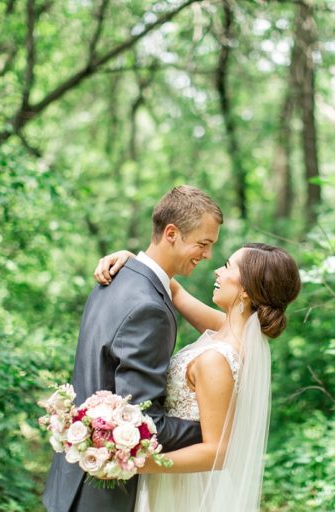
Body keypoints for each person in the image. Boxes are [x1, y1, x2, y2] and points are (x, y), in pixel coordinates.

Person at [42, 185, 224, 512]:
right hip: (104, 493)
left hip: (69, 482)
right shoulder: (149, 309)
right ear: (171, 233)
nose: (208, 255)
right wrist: (217, 435)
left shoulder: (116, 275)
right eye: (203, 244)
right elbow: (144, 421)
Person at [94, 242, 301, 511]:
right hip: (177, 474)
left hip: (184, 488)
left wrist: (134, 462)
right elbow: (175, 290)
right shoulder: (235, 333)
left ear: (246, 290)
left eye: (227, 266)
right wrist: (132, 260)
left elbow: (217, 451)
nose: (217, 271)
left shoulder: (217, 360)